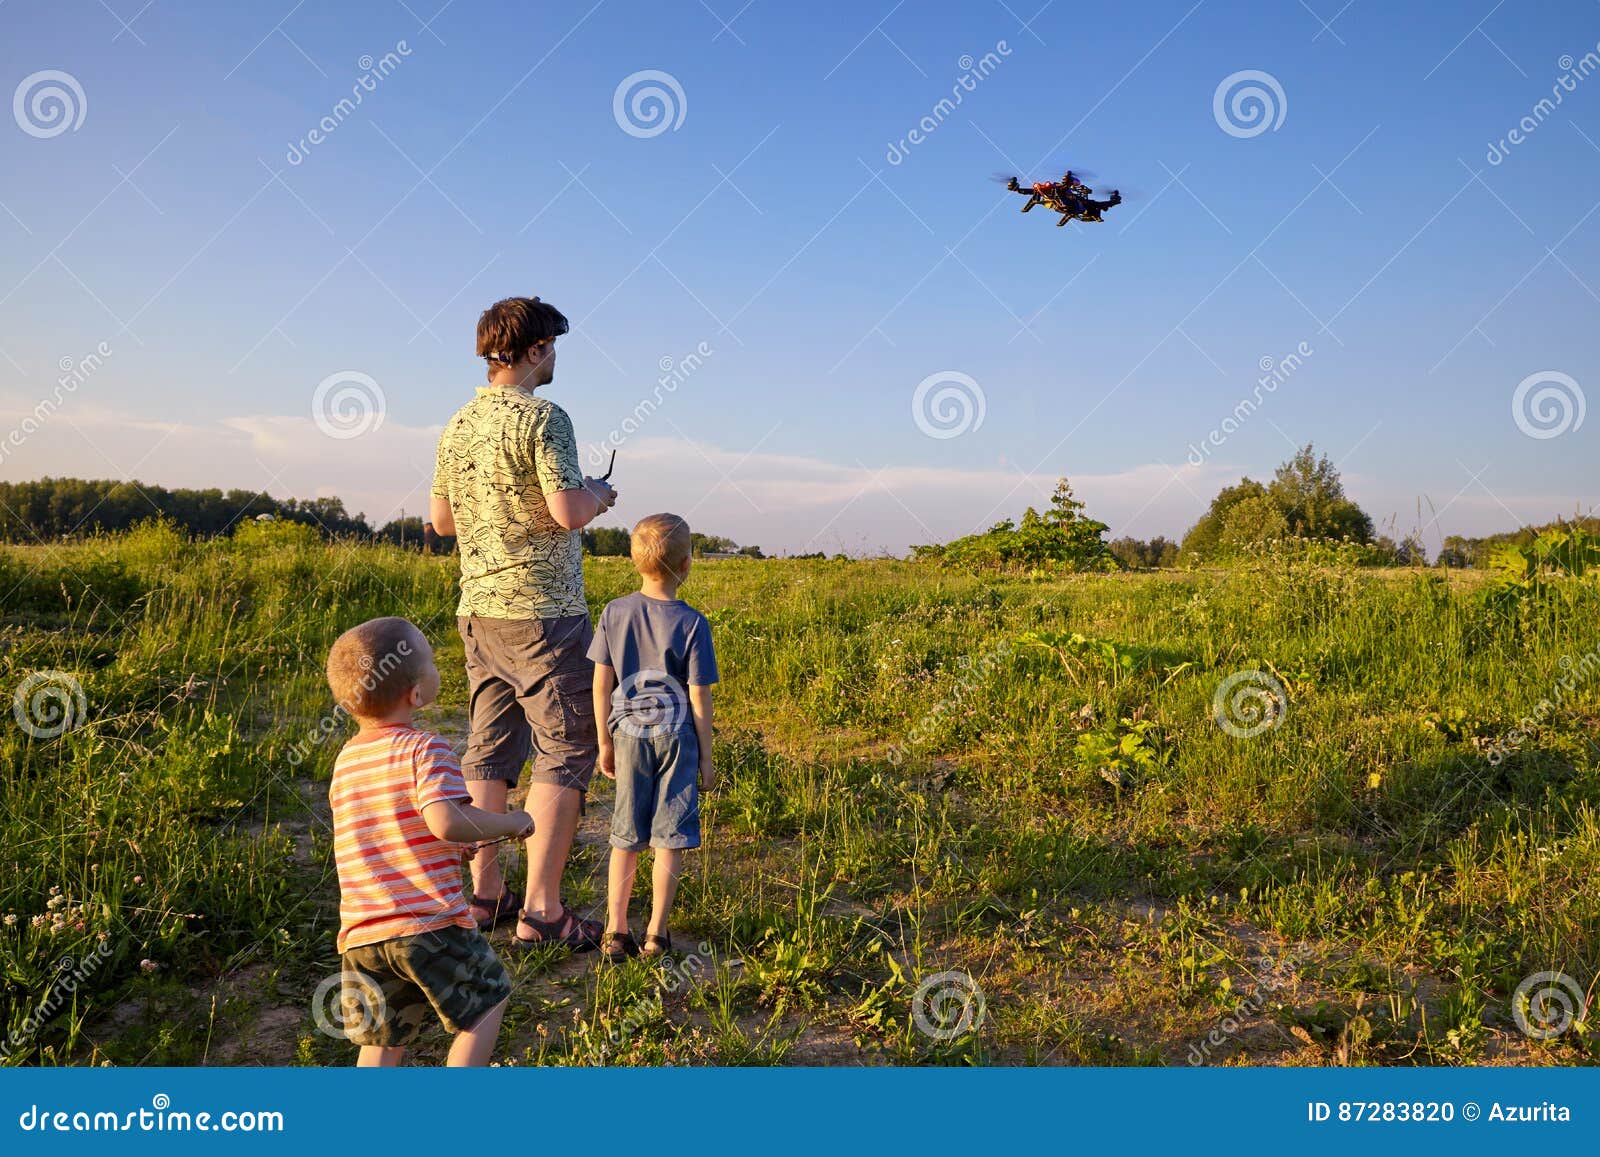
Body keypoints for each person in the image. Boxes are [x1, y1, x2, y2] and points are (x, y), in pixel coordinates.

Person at [429, 296, 618, 951]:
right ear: (536, 349)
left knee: (490, 747)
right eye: (554, 346)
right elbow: (567, 510)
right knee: (565, 750)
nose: (557, 357)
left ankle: (484, 895)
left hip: (478, 609)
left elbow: (444, 522)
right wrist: (598, 492)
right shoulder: (547, 417)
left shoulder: (457, 424)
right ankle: (542, 910)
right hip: (546, 610)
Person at [325, 616, 534, 1066]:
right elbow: (445, 820)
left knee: (382, 1038)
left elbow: (383, 827)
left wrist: (445, 846)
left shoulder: (345, 761)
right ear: (415, 694)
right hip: (428, 923)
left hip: (363, 932)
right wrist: (509, 822)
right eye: (433, 663)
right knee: (486, 1002)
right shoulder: (426, 748)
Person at [588, 514, 719, 963]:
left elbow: (601, 684)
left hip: (626, 734)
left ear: (633, 560)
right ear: (687, 563)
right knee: (669, 836)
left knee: (624, 835)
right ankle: (655, 934)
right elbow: (699, 696)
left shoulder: (614, 612)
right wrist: (706, 756)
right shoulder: (693, 623)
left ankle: (614, 930)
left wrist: (604, 739)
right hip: (677, 738)